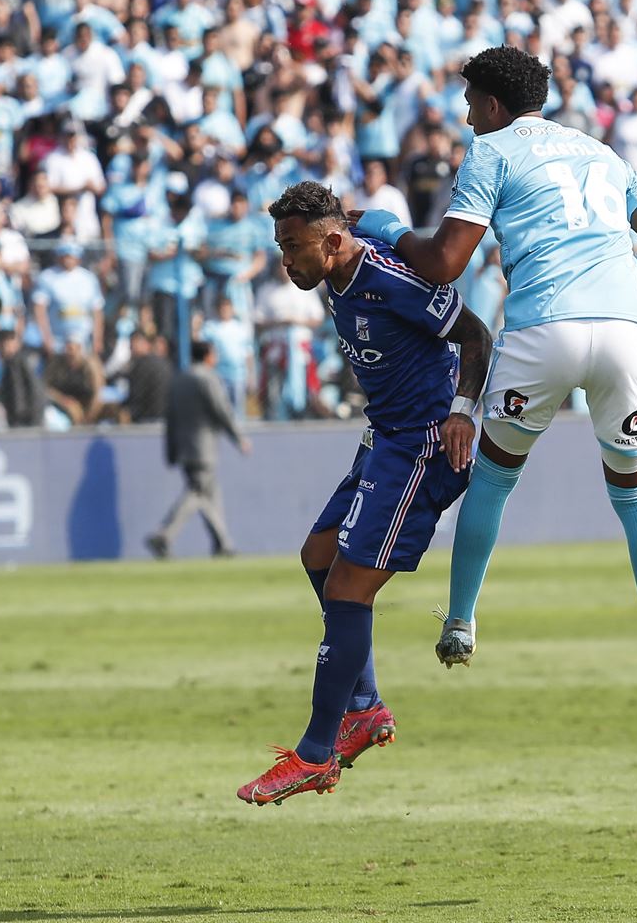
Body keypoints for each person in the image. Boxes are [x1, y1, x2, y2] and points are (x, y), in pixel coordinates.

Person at [350, 46, 637, 702]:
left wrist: (389, 229)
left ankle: (460, 622)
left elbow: (446, 261)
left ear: (490, 104)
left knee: (492, 478)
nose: (465, 117)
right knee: (636, 497)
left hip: (545, 331)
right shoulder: (602, 153)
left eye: (468, 104)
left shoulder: (491, 150)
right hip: (626, 332)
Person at [233, 181, 490, 807]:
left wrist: (462, 412)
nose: (286, 261)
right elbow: (346, 216)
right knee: (318, 556)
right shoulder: (336, 258)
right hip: (383, 438)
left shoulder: (388, 278)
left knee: (350, 586)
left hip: (424, 443)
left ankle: (316, 753)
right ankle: (365, 708)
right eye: (280, 248)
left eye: (293, 248)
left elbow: (476, 336)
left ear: (329, 242)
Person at [147, 338, 247, 560]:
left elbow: (170, 418)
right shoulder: (207, 379)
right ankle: (163, 535)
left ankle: (222, 543)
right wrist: (238, 438)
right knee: (197, 493)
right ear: (208, 356)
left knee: (210, 494)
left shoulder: (179, 379)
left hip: (183, 447)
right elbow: (222, 410)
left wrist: (171, 450)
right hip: (204, 447)